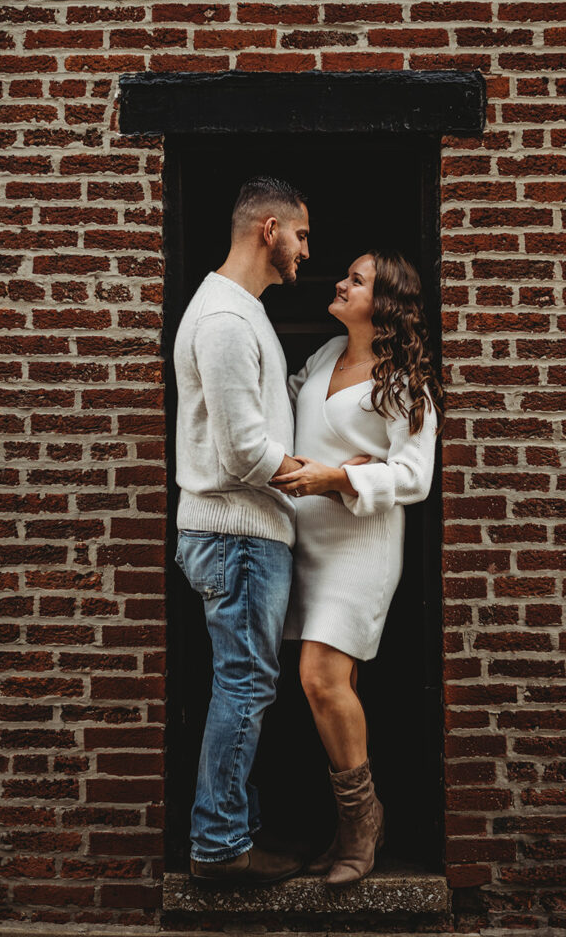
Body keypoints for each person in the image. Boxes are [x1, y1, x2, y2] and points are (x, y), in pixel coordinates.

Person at [271, 250, 442, 887]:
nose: (341, 283)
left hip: (359, 546)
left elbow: (414, 476)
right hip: (301, 539)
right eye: (348, 275)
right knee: (314, 684)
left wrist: (337, 476)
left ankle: (362, 822)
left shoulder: (403, 381)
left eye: (358, 280)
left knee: (320, 676)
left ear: (386, 302)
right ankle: (343, 823)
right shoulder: (322, 357)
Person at [173, 176, 310, 884]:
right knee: (246, 686)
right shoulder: (226, 319)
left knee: (244, 683)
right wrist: (313, 476)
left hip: (243, 537)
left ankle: (234, 834)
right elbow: (241, 453)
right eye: (302, 235)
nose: (305, 252)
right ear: (268, 230)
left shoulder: (240, 312)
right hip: (239, 536)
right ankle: (221, 849)